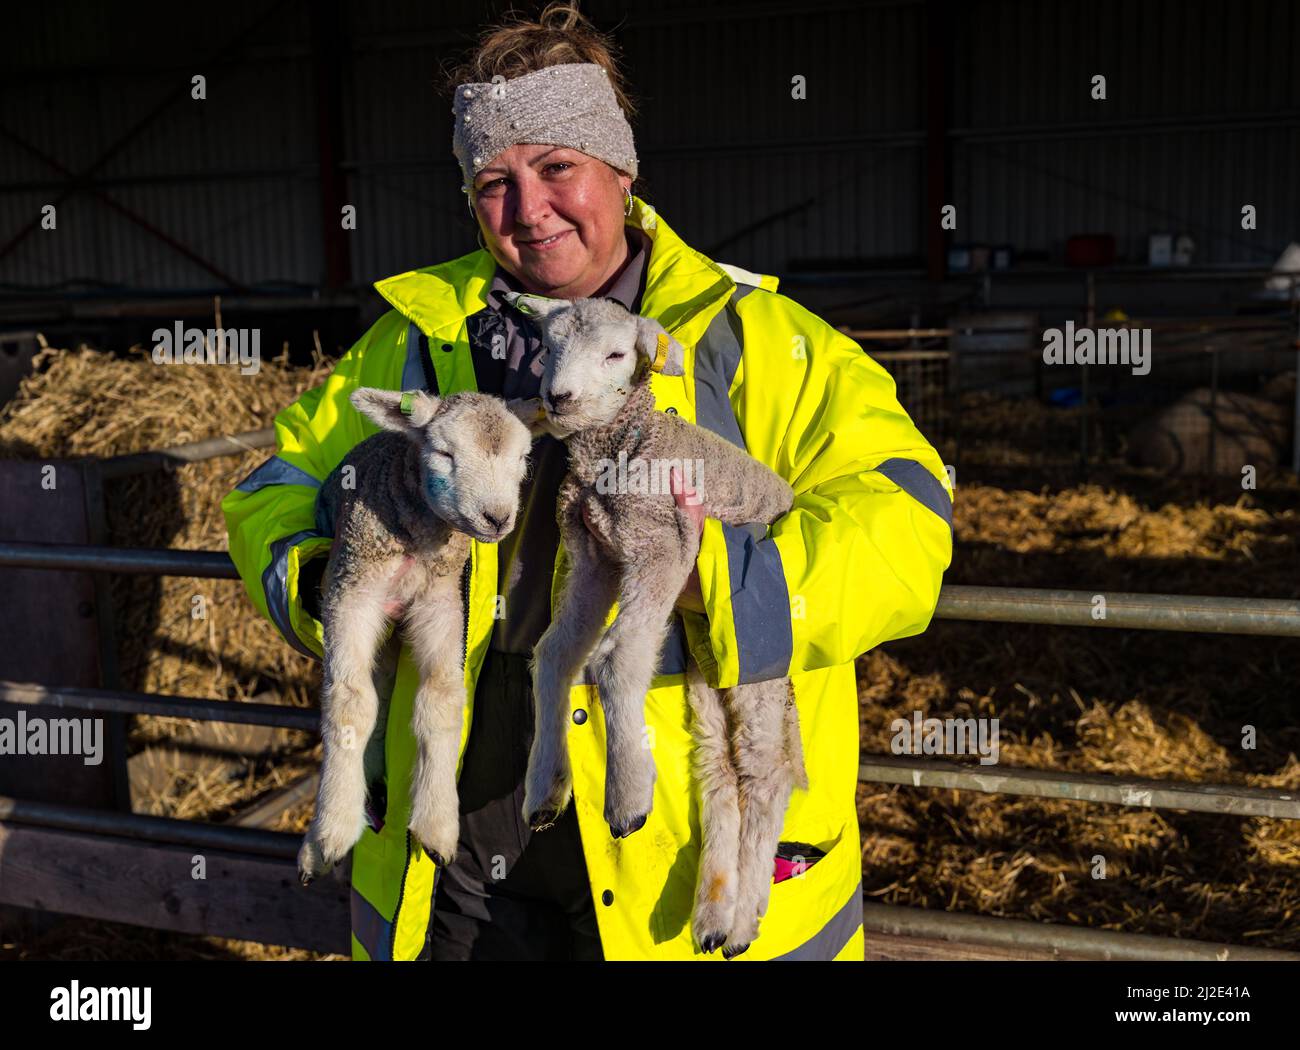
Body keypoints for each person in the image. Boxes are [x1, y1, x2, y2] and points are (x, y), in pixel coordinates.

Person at [221, 2, 953, 962]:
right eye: (494, 181)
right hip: (451, 862)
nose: (529, 209)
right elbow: (270, 484)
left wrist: (717, 581)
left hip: (680, 860)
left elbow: (908, 521)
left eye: (557, 167)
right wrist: (334, 580)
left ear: (621, 168)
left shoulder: (757, 344)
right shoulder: (416, 342)